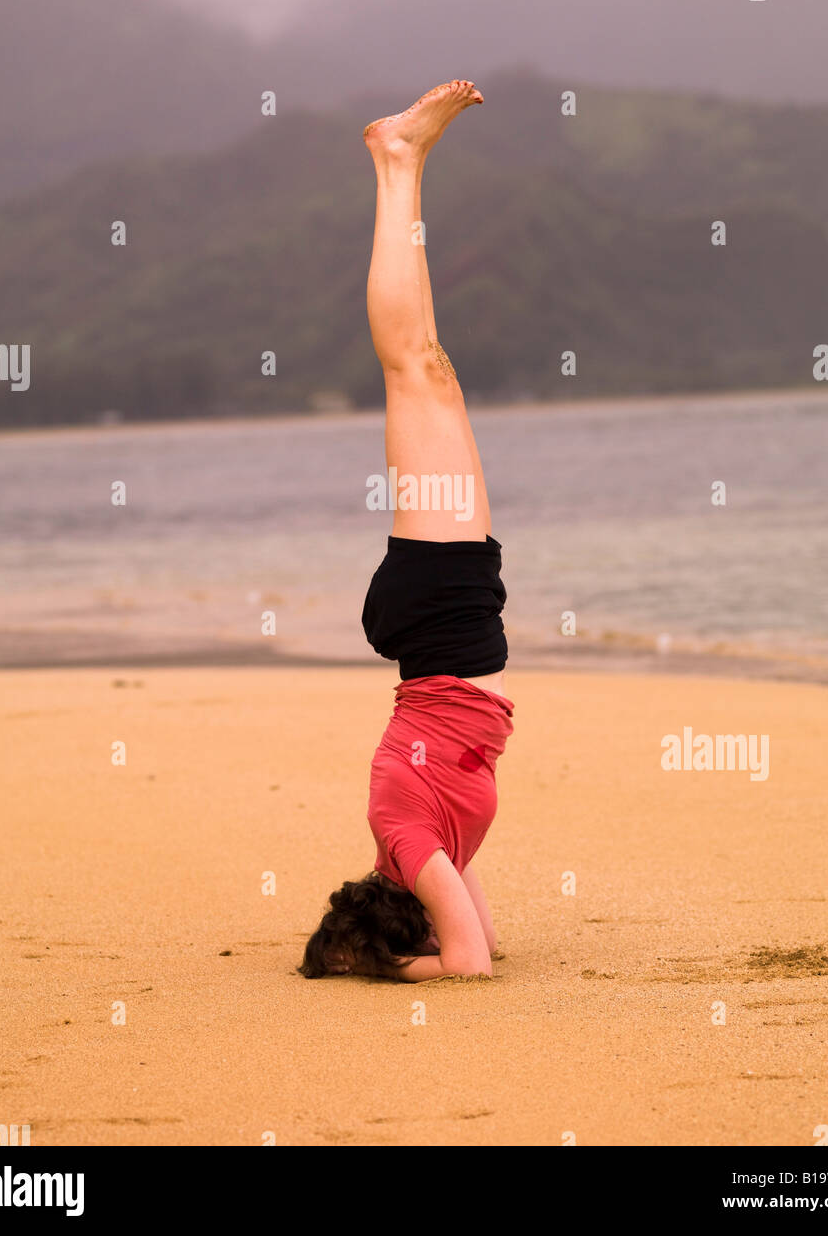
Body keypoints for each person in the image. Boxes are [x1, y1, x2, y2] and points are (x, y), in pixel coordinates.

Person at [298, 81, 514, 982]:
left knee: (411, 370)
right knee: (433, 370)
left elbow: (470, 966)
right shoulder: (422, 856)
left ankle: (397, 159)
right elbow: (484, 942)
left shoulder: (405, 838)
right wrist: (415, 947)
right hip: (448, 625)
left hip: (438, 618)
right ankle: (402, 164)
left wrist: (394, 972)